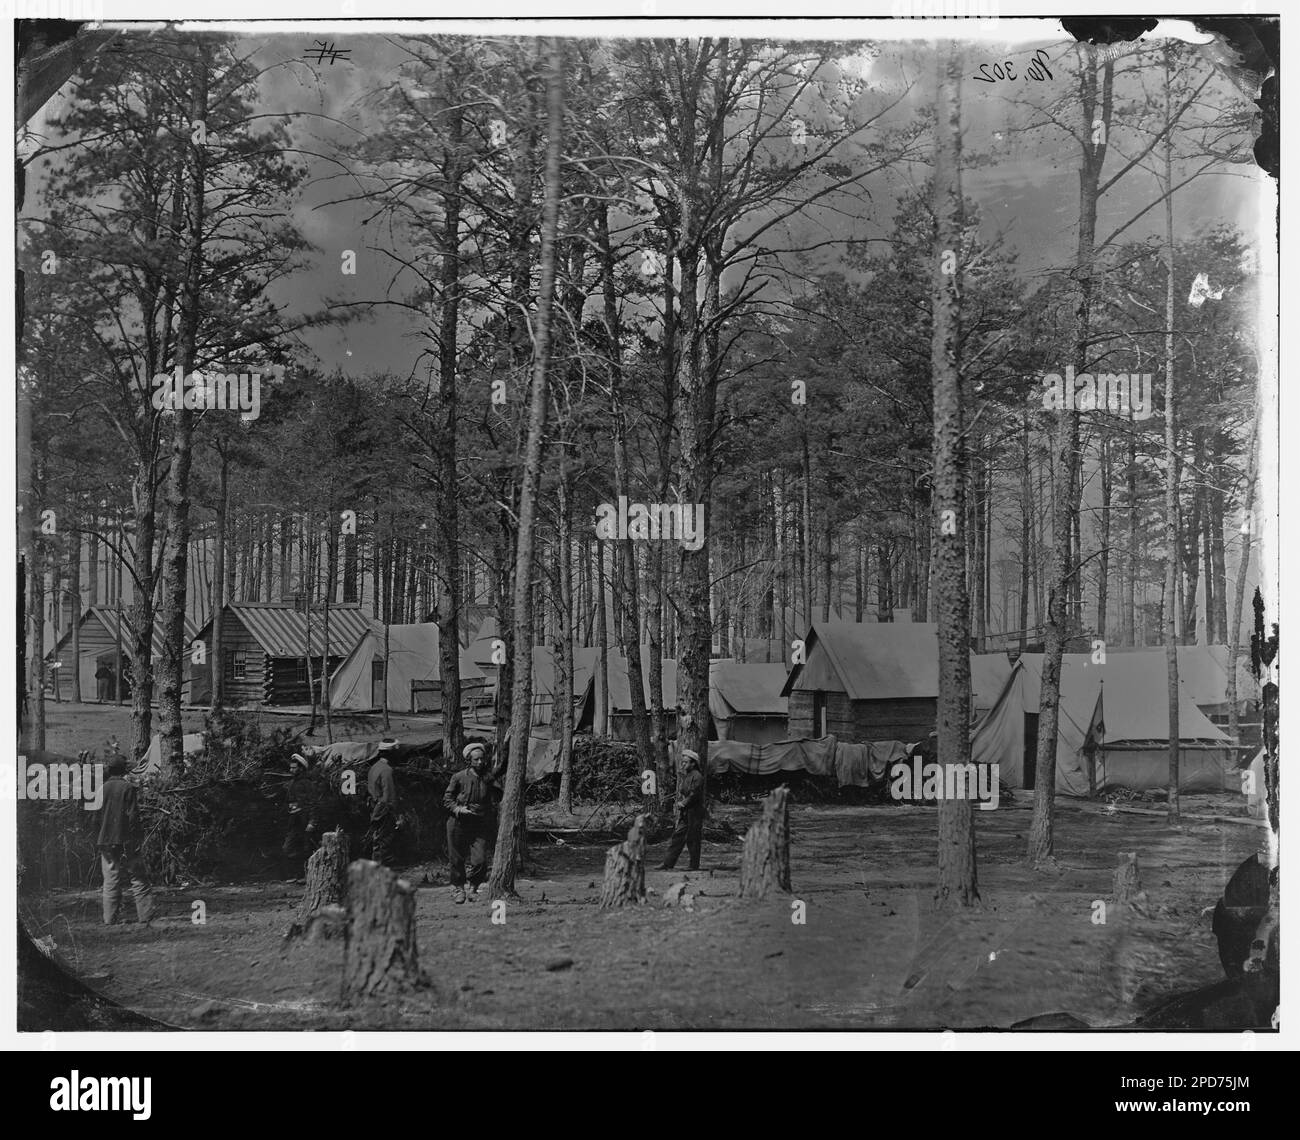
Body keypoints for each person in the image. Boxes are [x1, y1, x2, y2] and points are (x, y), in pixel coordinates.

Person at [96, 755, 153, 925]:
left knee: (111, 879)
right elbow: (133, 817)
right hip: (126, 839)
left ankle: (109, 919)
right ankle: (145, 917)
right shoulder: (128, 788)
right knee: (138, 877)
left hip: (105, 840)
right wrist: (137, 838)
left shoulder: (102, 789)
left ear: (109, 770)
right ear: (123, 770)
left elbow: (95, 817)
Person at [443, 741, 500, 903]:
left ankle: (474, 887)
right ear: (469, 760)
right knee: (456, 858)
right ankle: (458, 889)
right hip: (458, 822)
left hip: (478, 823)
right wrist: (459, 809)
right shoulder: (459, 777)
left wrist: (506, 745)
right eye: (476, 760)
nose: (480, 762)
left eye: (482, 759)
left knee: (480, 859)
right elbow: (447, 799)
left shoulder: (488, 778)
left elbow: (501, 768)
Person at [657, 748, 705, 872]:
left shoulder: (697, 776)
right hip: (686, 812)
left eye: (686, 762)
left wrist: (683, 803)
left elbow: (694, 794)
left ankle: (694, 865)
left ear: (693, 763)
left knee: (693, 838)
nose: (683, 764)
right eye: (682, 762)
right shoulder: (687, 776)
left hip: (695, 811)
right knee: (677, 836)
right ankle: (668, 863)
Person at [366, 738, 401, 866]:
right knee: (384, 843)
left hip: (375, 807)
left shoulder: (374, 767)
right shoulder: (387, 770)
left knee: (378, 842)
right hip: (384, 810)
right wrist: (396, 815)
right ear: (390, 753)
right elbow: (389, 796)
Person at [283, 753, 322, 861]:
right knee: (288, 849)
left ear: (301, 769)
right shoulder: (291, 783)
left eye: (294, 768)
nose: (291, 770)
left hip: (304, 821)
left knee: (307, 849)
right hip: (294, 822)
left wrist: (312, 822)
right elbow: (288, 803)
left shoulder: (307, 783)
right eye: (290, 768)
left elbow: (314, 803)